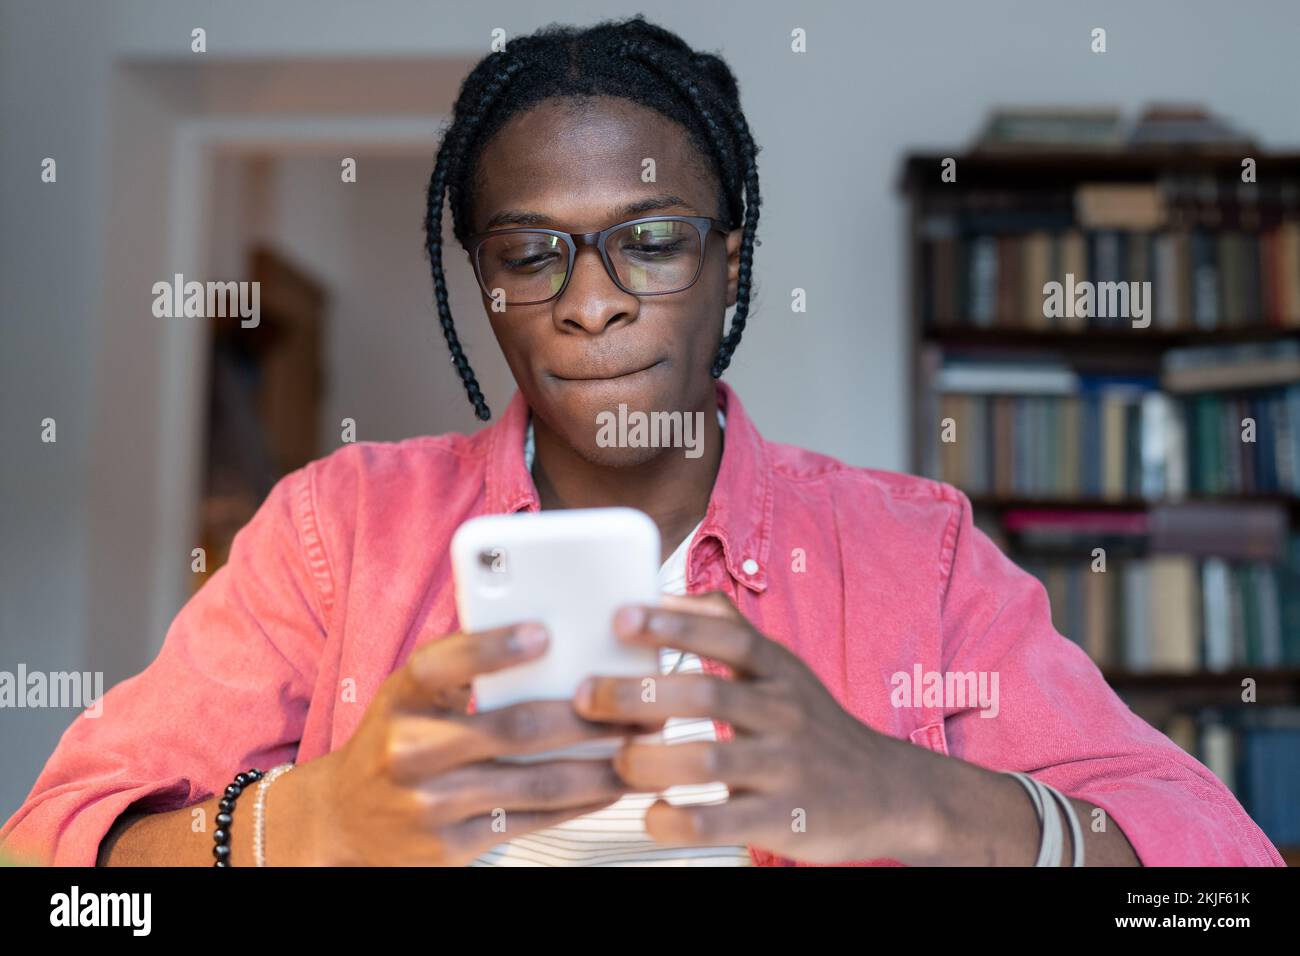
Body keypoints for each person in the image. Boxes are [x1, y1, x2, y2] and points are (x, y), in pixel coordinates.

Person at [1, 16, 1283, 867]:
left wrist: (911, 792)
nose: (591, 296)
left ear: (730, 266)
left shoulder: (920, 552)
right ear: (486, 284)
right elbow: (49, 861)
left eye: (652, 237)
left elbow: (1217, 875)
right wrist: (306, 821)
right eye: (528, 251)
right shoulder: (337, 531)